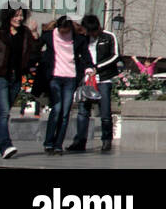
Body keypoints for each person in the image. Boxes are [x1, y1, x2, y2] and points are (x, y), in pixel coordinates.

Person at [0, 7, 37, 159]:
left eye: (21, 15)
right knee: (5, 112)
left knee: (2, 113)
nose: (19, 18)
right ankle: (6, 146)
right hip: (0, 77)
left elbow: (34, 52)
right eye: (16, 15)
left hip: (16, 78)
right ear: (8, 16)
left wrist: (35, 34)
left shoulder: (25, 33)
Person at [35, 16, 92, 155]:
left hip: (70, 77)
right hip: (54, 76)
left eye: (65, 30)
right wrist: (35, 63)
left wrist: (89, 67)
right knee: (57, 109)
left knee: (65, 113)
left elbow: (85, 54)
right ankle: (49, 143)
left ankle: (58, 144)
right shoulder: (49, 35)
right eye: (61, 30)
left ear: (70, 28)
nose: (63, 33)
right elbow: (35, 49)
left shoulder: (78, 38)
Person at [69, 14, 120, 154]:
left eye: (93, 31)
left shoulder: (108, 37)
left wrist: (97, 68)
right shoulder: (82, 39)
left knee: (105, 112)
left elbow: (115, 56)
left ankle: (106, 140)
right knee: (83, 111)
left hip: (103, 79)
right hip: (86, 80)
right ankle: (80, 140)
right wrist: (85, 69)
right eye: (88, 31)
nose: (91, 34)